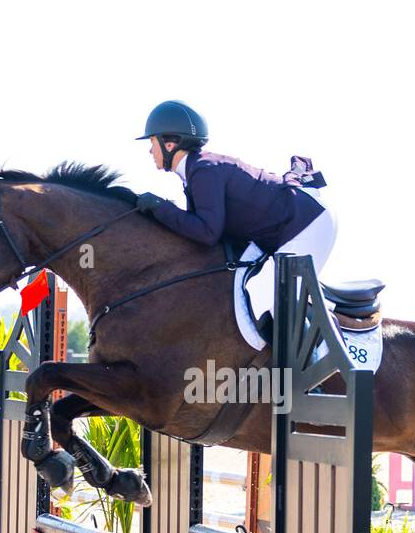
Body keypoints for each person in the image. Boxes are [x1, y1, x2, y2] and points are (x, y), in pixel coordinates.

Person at [134, 100, 337, 348]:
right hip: (294, 223)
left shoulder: (203, 170)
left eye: (152, 143)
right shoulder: (197, 170)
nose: (150, 151)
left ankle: (311, 374)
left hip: (308, 223)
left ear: (170, 143)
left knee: (270, 299)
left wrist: (160, 208)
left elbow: (207, 232)